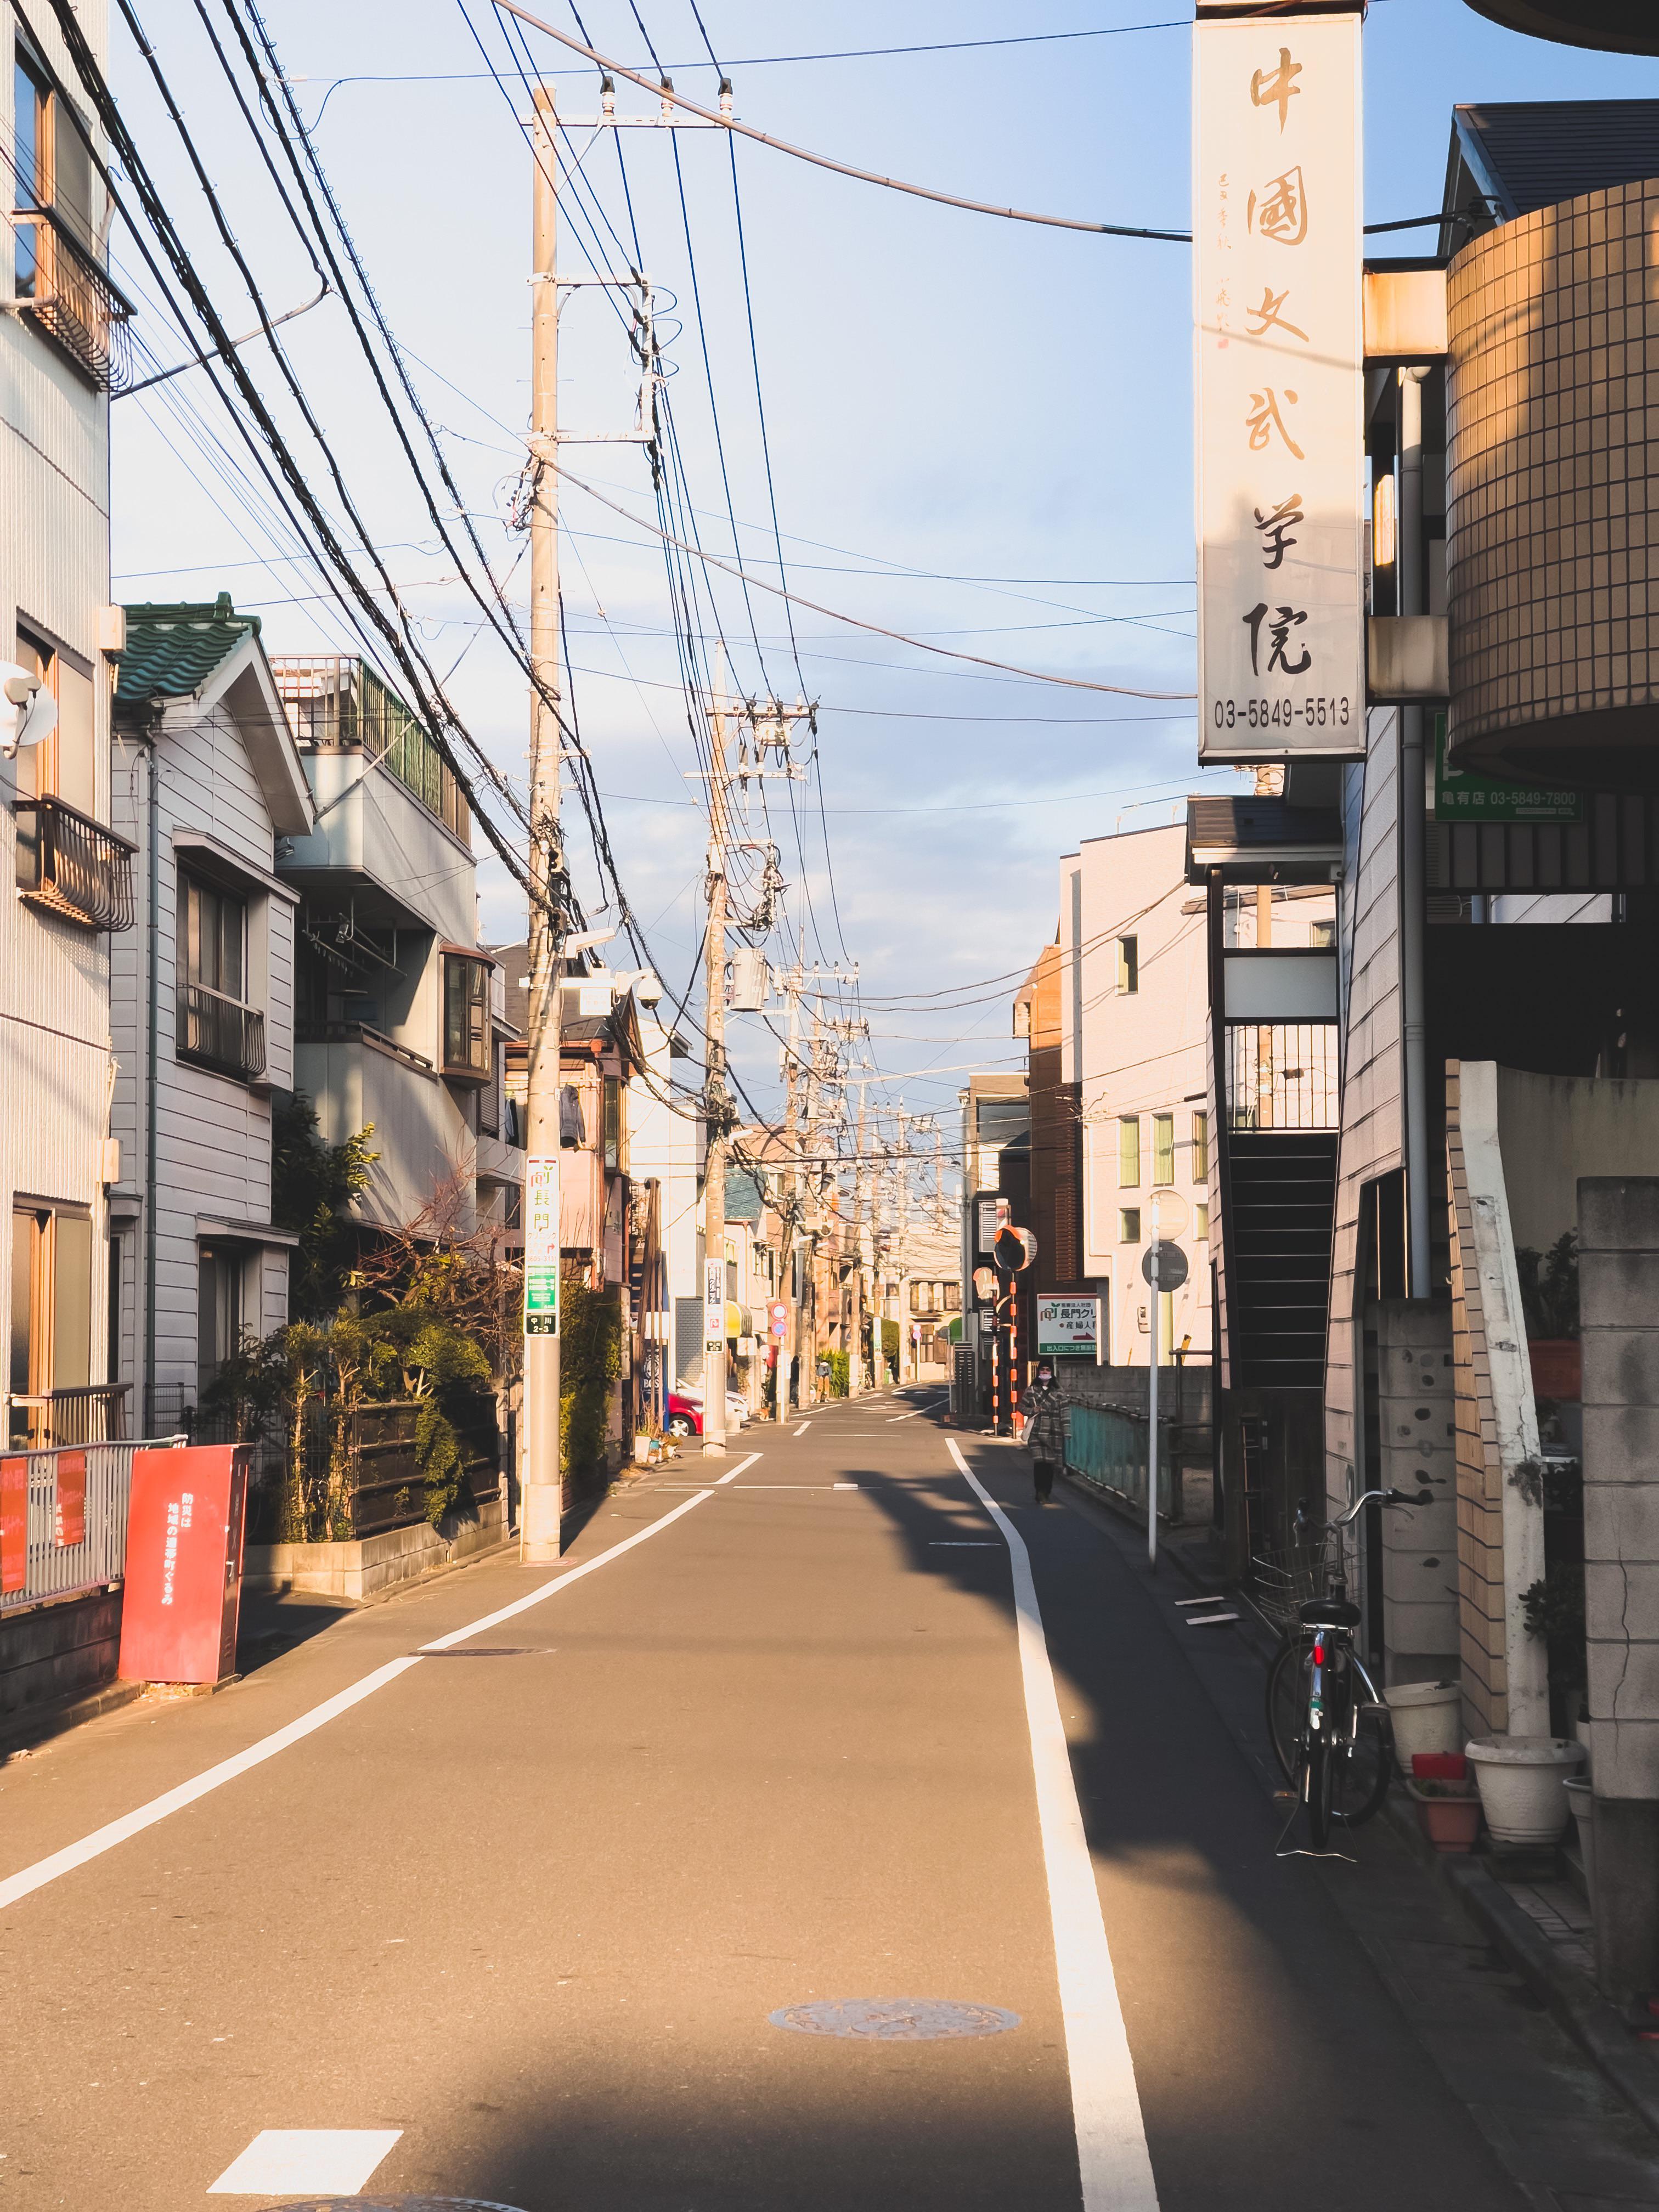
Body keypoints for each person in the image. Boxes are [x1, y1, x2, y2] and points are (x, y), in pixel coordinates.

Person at [1020, 1359, 1064, 1504]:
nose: (1045, 1372)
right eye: (1042, 1370)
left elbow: (1065, 1411)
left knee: (1050, 1464)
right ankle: (1040, 1491)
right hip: (1036, 1432)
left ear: (1052, 1373)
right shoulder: (1031, 1390)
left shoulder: (1059, 1392)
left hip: (1053, 1431)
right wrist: (1032, 1410)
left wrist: (1067, 1430)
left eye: (1048, 1370)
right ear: (1038, 1372)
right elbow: (1021, 1408)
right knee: (1039, 1462)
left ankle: (1047, 1490)